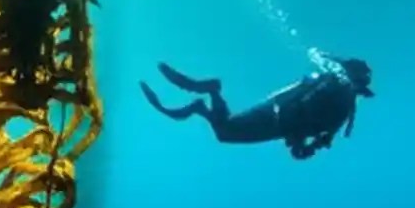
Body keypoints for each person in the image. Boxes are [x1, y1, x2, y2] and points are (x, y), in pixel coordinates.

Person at [139, 54, 374, 159]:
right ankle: (209, 92)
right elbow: (316, 126)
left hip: (277, 114)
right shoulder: (343, 101)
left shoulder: (338, 93)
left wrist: (307, 144)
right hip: (277, 119)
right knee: (225, 132)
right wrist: (306, 147)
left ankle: (205, 100)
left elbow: (307, 105)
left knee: (225, 131)